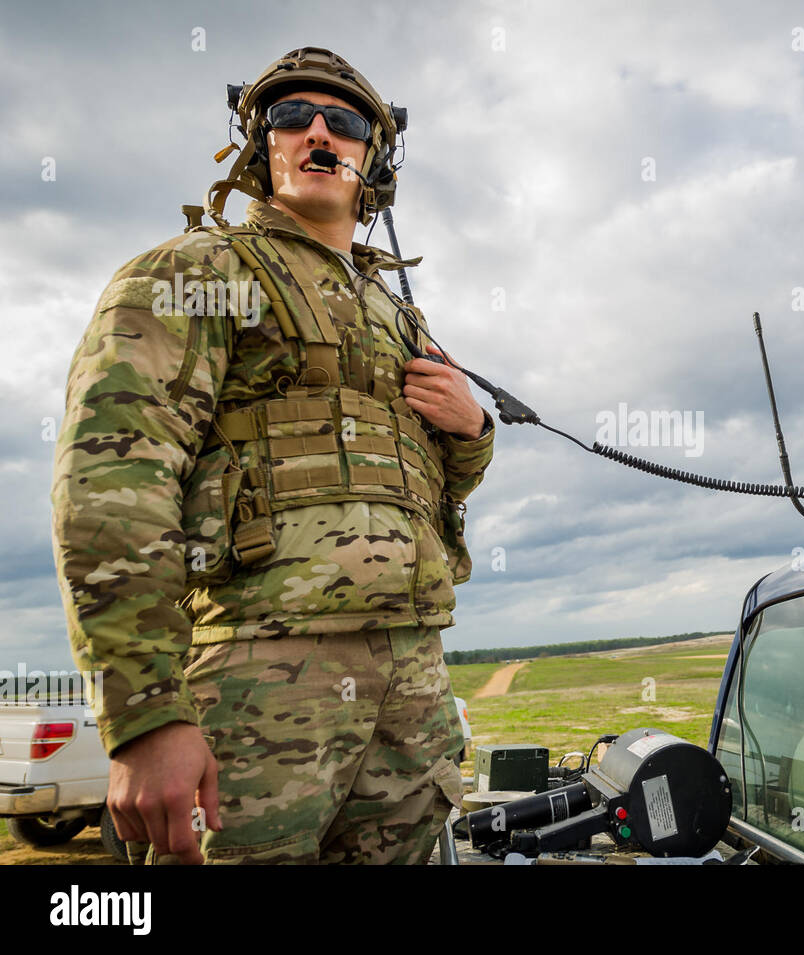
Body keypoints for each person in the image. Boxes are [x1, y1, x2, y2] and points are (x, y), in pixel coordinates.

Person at [50, 47, 493, 864]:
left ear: (373, 159)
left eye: (346, 123)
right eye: (294, 117)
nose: (320, 133)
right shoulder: (197, 273)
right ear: (261, 149)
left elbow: (431, 486)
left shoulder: (398, 316)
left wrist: (472, 432)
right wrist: (145, 712)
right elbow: (113, 482)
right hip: (259, 670)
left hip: (414, 671)